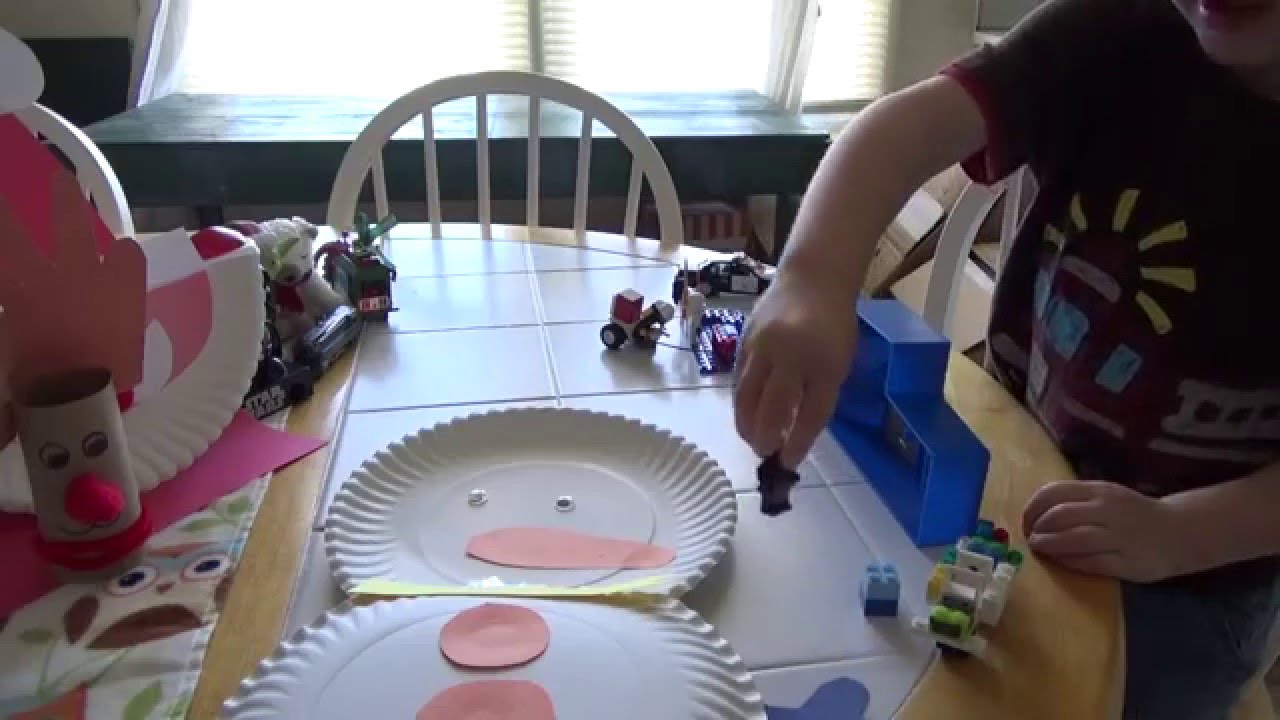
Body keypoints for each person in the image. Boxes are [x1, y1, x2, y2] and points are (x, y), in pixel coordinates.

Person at [733, 0, 1280, 716]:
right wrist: (812, 275)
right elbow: (906, 126)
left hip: (1193, 572)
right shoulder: (1120, 25)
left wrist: (1177, 534)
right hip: (1017, 475)